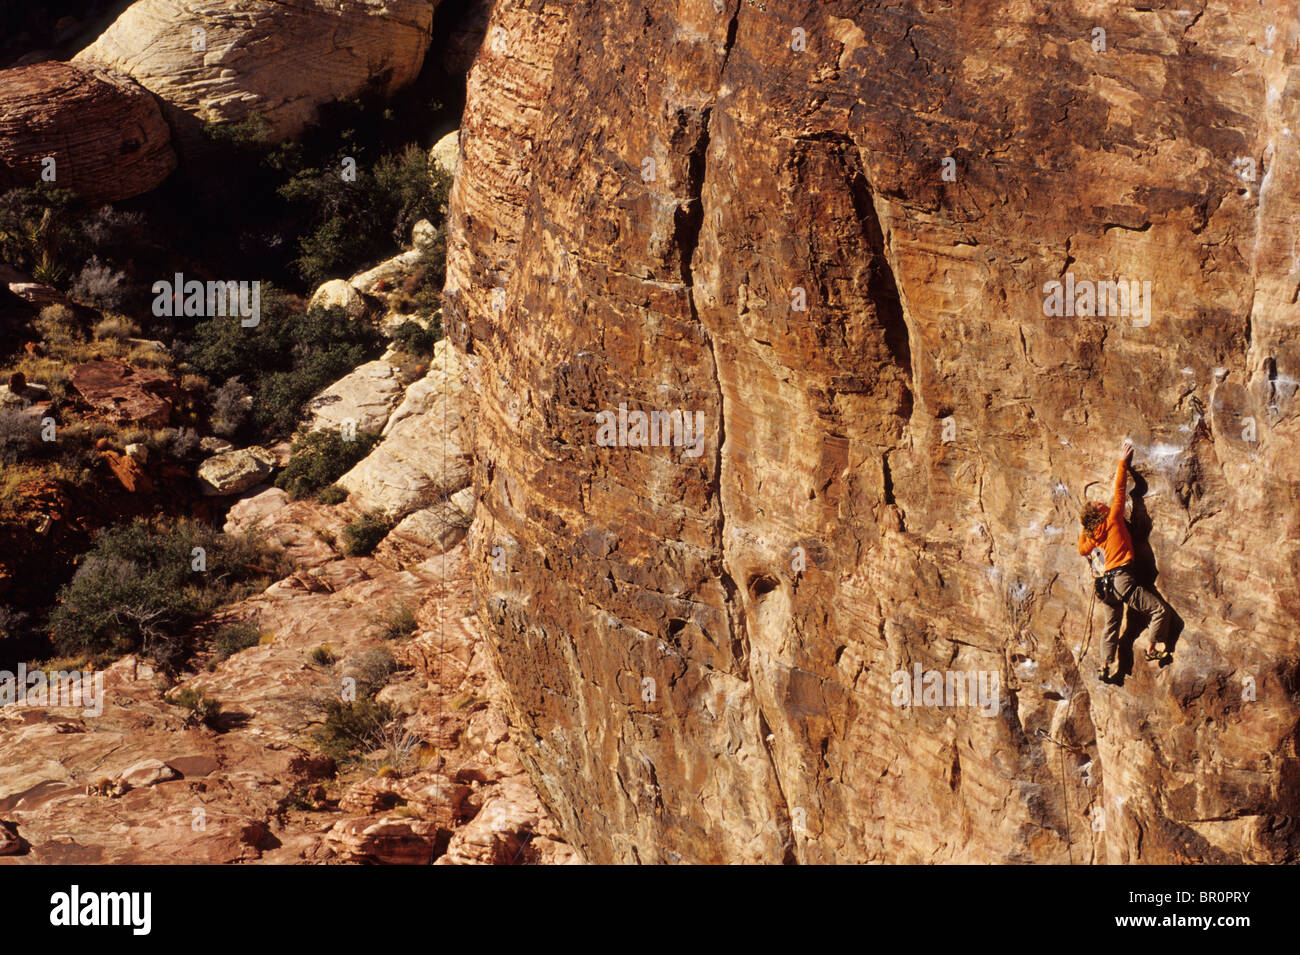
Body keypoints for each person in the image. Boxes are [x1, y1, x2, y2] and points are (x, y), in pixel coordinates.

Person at [1078, 440, 1172, 682]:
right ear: (1099, 513)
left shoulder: (1090, 538)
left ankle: (1104, 666)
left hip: (1104, 588)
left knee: (1111, 627)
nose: (1103, 502)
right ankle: (1153, 648)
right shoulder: (1112, 519)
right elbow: (1120, 489)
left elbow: (1081, 549)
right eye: (1099, 504)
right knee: (1159, 611)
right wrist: (1122, 462)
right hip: (1120, 579)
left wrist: (1085, 528)